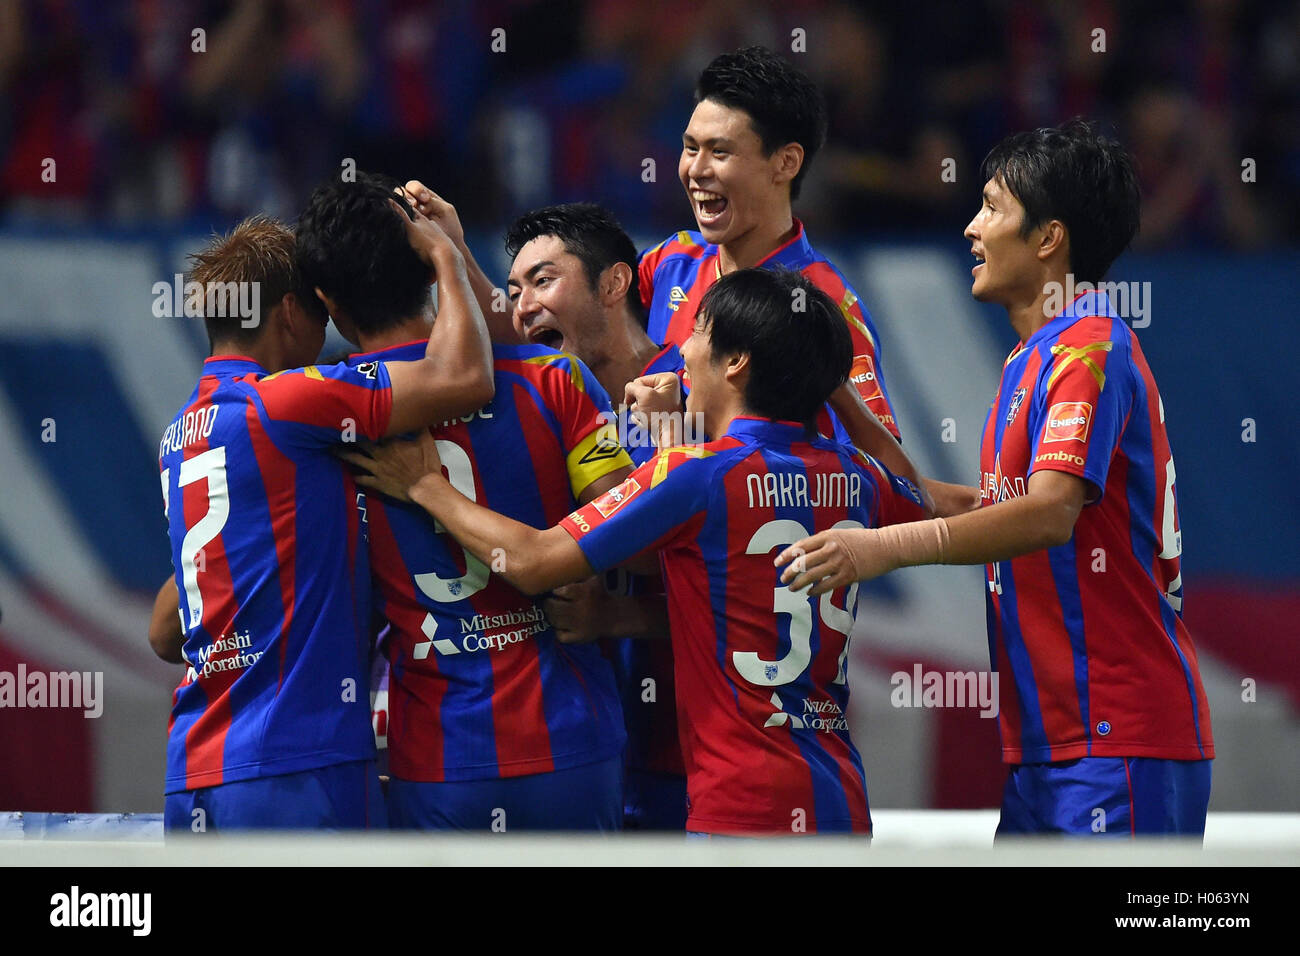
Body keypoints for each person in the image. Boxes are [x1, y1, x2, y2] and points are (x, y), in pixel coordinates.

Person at [344, 268, 928, 836]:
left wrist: (427, 487)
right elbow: (920, 502)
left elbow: (534, 560)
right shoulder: (857, 474)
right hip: (841, 800)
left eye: (698, 332)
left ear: (736, 361)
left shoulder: (698, 475)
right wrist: (836, 386)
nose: (683, 352)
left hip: (741, 807)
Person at [776, 120, 1214, 837]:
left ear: (1048, 238)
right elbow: (979, 505)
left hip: (1117, 740)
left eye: (992, 207)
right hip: (1048, 745)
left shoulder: (1089, 348)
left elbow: (1045, 516)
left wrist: (879, 551)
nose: (972, 228)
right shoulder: (1030, 360)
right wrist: (837, 396)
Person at [156, 197, 493, 831]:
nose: (325, 335)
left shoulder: (178, 439)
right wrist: (447, 257)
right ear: (289, 312)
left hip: (192, 768)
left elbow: (161, 631)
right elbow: (467, 378)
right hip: (297, 765)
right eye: (318, 311)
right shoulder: (287, 403)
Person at [310, 179, 634, 830]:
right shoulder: (557, 381)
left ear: (328, 304)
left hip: (440, 753)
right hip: (574, 740)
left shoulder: (322, 415)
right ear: (429, 270)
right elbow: (625, 527)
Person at [638, 46, 972, 516]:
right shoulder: (667, 261)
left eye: (720, 151)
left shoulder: (822, 305)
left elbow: (891, 484)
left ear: (786, 163)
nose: (696, 170)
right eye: (691, 147)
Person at [504, 201, 688, 829]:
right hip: (580, 750)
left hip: (689, 759)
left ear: (613, 284)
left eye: (543, 281)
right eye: (512, 291)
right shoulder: (537, 411)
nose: (523, 306)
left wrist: (618, 614)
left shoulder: (698, 395)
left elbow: (745, 589)